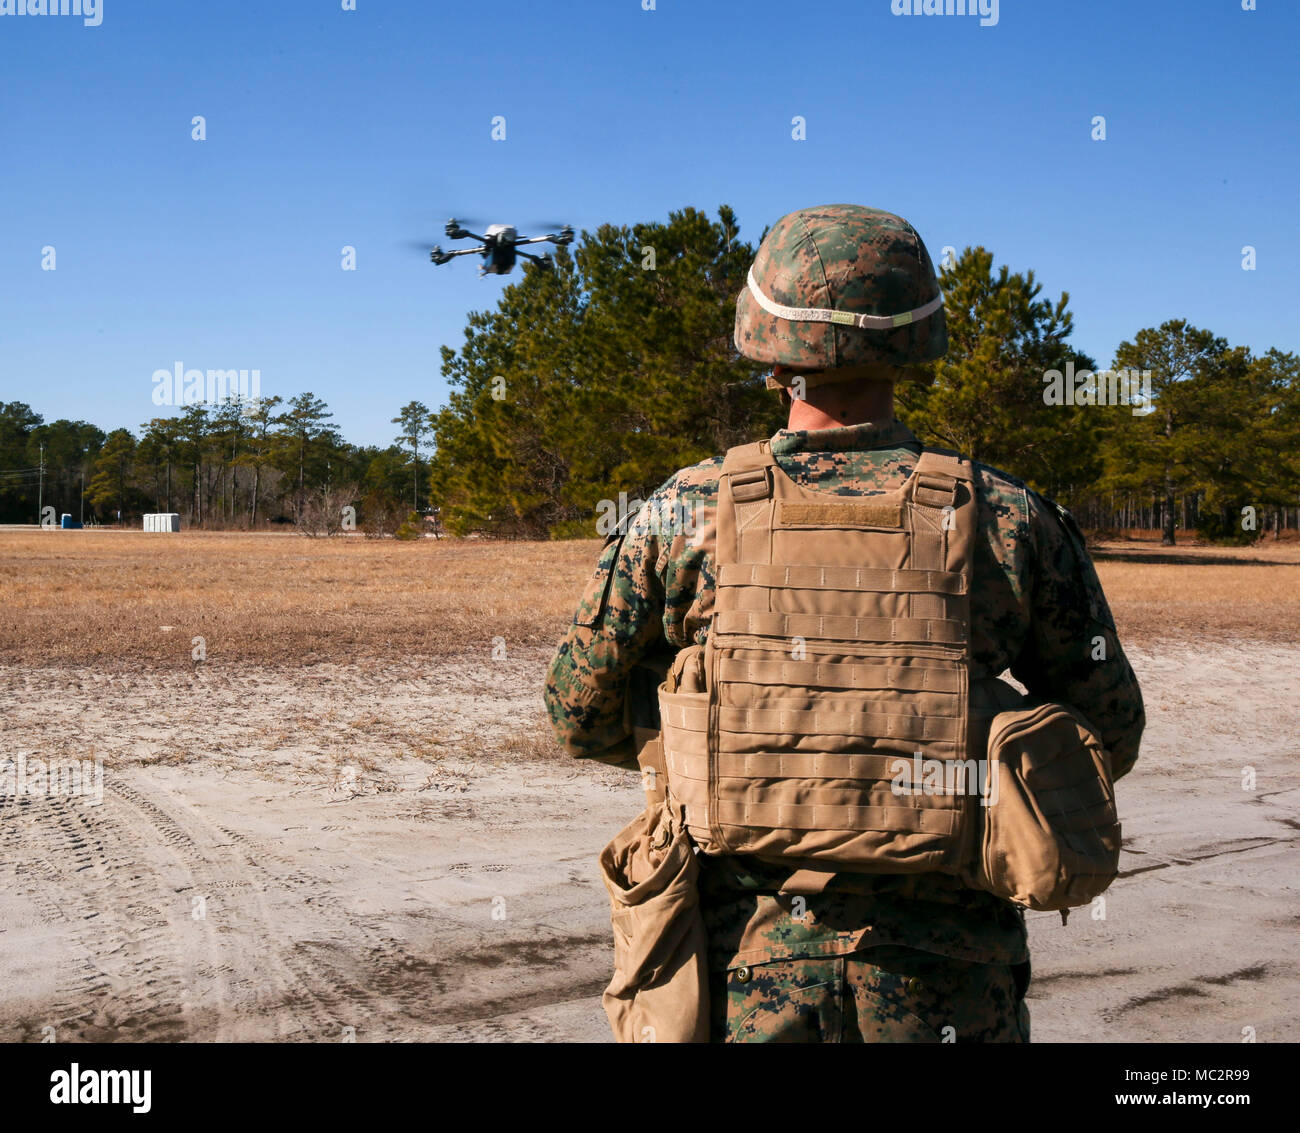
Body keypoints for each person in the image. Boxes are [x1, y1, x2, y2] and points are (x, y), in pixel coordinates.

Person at [545, 204, 1145, 1043]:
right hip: (952, 984)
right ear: (916, 341)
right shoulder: (1007, 519)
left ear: (766, 345)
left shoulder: (686, 512)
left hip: (740, 973)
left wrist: (721, 735)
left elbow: (578, 713)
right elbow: (1109, 730)